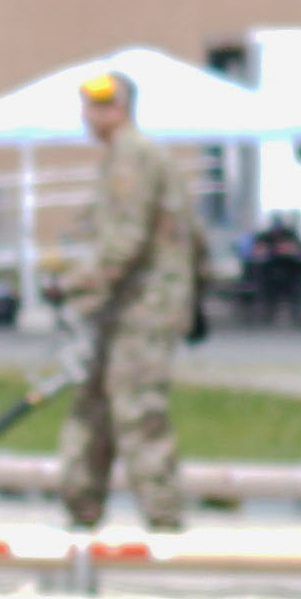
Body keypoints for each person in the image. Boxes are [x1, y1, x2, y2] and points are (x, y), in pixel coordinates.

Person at [60, 69, 202, 527]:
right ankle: (82, 511)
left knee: (137, 412)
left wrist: (78, 283)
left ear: (118, 109)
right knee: (94, 410)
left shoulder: (133, 157)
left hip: (141, 308)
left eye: (97, 106)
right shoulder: (134, 156)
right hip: (127, 307)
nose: (88, 116)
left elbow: (127, 238)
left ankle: (163, 521)